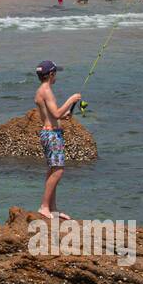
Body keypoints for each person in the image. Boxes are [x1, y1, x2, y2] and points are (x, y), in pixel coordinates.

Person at [34, 60, 83, 221]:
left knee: (53, 170)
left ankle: (53, 208)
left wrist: (65, 114)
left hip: (51, 133)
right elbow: (55, 114)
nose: (56, 77)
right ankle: (44, 206)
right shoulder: (46, 90)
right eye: (55, 73)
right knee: (58, 170)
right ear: (51, 74)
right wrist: (71, 99)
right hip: (51, 135)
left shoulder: (42, 90)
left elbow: (52, 114)